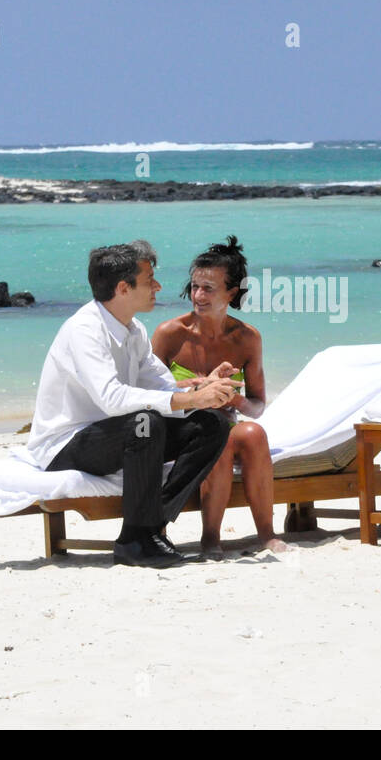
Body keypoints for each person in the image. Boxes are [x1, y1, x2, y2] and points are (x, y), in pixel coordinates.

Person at [25, 240, 241, 568]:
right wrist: (191, 397)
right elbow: (113, 398)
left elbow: (163, 386)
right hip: (65, 443)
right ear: (124, 288)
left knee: (211, 424)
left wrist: (203, 387)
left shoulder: (134, 329)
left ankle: (151, 526)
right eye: (149, 280)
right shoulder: (85, 329)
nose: (158, 286)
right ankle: (135, 540)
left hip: (116, 435)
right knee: (146, 422)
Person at [152, 236, 288, 559]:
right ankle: (211, 538)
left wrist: (235, 401)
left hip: (227, 423)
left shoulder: (247, 339)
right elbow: (147, 394)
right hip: (181, 430)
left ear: (232, 292)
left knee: (253, 434)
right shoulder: (171, 334)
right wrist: (196, 391)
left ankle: (266, 534)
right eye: (195, 286)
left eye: (208, 288)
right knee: (218, 437)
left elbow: (257, 405)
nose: (198, 295)